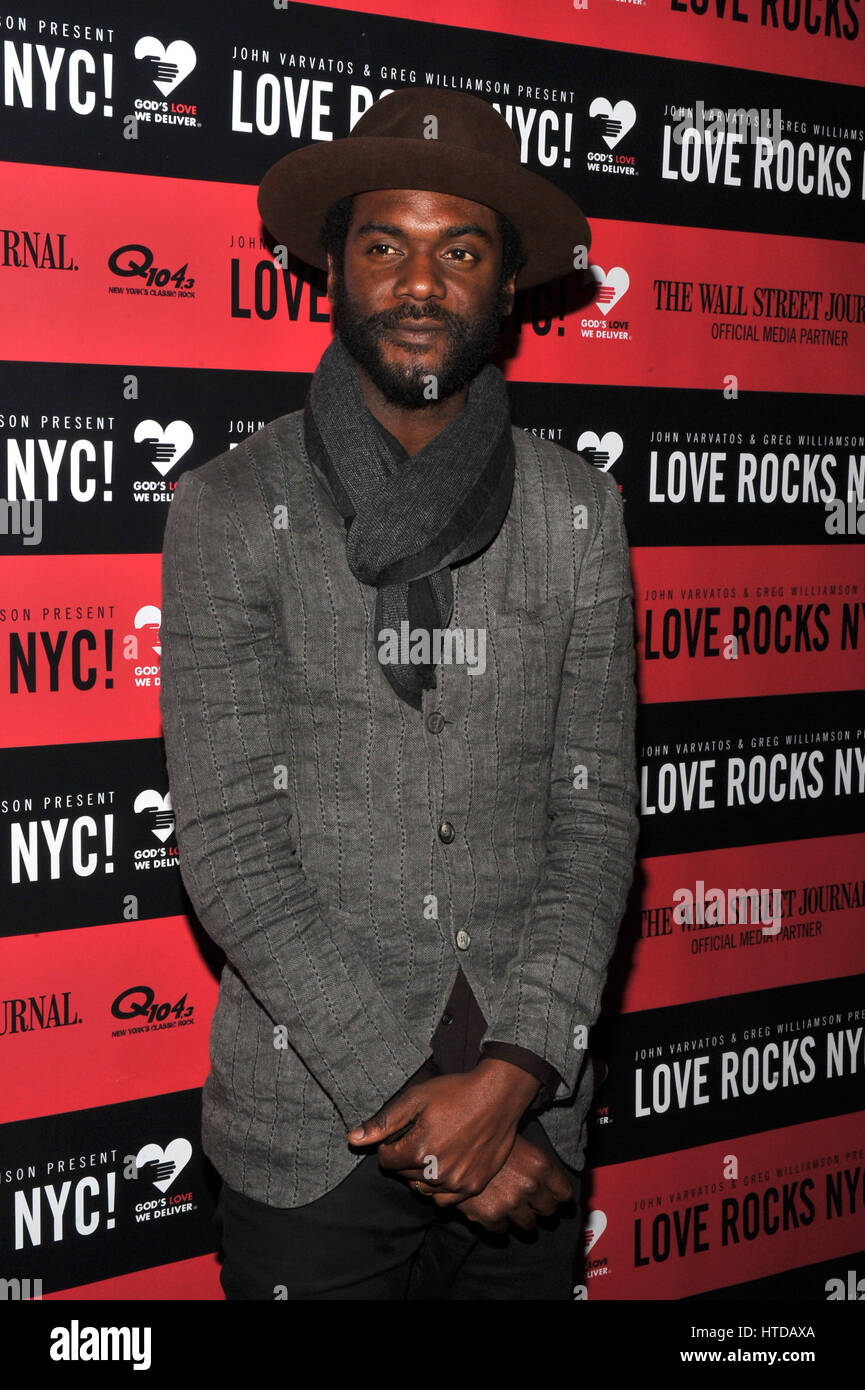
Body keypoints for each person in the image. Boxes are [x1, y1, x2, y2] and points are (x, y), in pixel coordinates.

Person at [159, 87, 639, 1300]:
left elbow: (594, 816)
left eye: (459, 248)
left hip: (531, 1123)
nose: (419, 283)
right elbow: (230, 847)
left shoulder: (578, 514)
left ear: (510, 282)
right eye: (385, 245)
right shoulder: (226, 510)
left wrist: (518, 1070)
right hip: (312, 1135)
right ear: (333, 271)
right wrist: (423, 1119)